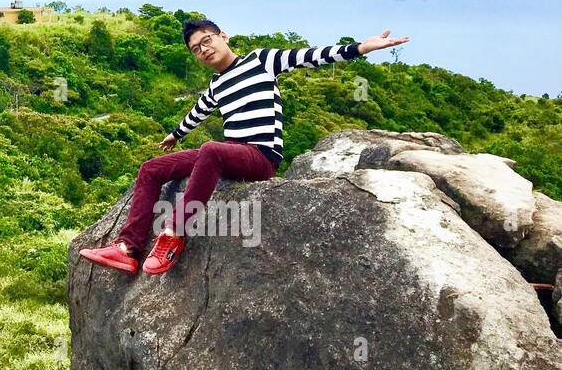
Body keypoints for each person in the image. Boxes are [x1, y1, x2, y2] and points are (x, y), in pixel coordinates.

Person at [79, 19, 409, 276]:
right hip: (229, 153)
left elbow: (311, 56)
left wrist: (362, 48)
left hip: (260, 156)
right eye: (196, 49)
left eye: (207, 41)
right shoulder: (216, 84)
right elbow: (198, 111)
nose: (204, 49)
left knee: (210, 150)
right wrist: (176, 135)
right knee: (152, 168)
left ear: (224, 36)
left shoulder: (261, 61)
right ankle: (129, 249)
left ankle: (174, 233)